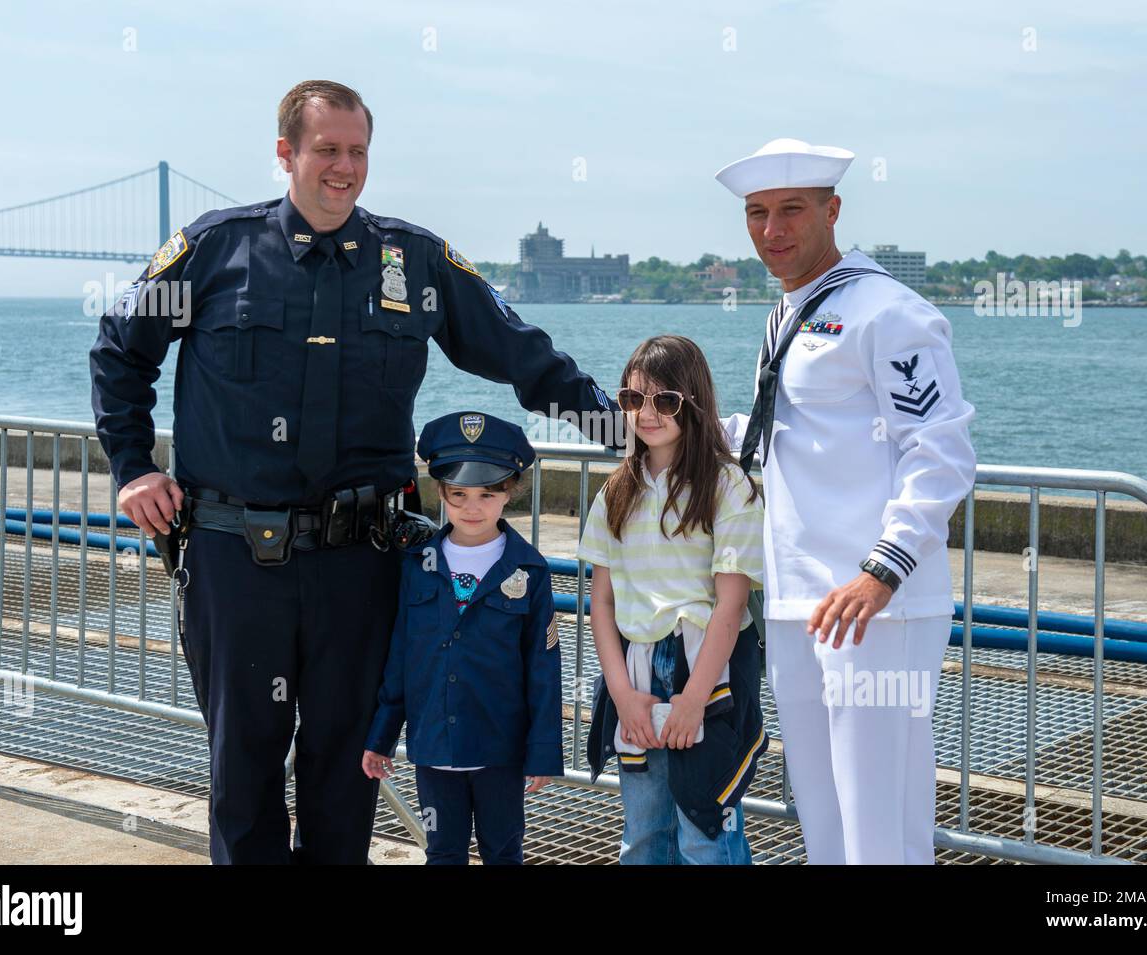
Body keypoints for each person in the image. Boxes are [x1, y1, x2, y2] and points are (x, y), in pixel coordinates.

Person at [88, 80, 617, 864]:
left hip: (361, 568)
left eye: (358, 151)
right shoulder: (215, 248)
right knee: (243, 774)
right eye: (326, 149)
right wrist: (133, 466)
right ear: (286, 154)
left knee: (346, 775)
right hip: (238, 563)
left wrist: (628, 431)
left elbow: (523, 355)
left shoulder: (415, 259)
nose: (344, 167)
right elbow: (119, 350)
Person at [716, 138, 977, 864]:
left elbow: (941, 448)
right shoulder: (789, 313)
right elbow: (783, 437)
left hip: (874, 605)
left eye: (791, 210)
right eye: (757, 213)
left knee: (880, 827)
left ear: (834, 210)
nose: (773, 230)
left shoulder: (886, 312)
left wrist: (881, 570)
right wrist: (684, 419)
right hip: (800, 602)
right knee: (825, 827)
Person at [580, 335, 768, 865]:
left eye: (666, 401)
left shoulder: (728, 487)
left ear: (694, 402)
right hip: (635, 671)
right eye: (633, 400)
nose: (647, 413)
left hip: (706, 675)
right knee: (643, 835)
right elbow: (602, 603)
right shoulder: (616, 490)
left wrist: (692, 700)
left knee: (704, 832)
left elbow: (730, 607)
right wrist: (620, 691)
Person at [361, 412, 559, 865]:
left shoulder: (528, 570)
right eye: (459, 494)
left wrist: (543, 751)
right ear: (441, 494)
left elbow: (543, 666)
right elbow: (401, 658)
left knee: (504, 852)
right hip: (433, 747)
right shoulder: (417, 564)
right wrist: (381, 736)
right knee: (442, 853)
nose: (473, 507)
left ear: (510, 492)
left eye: (488, 493)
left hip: (500, 750)